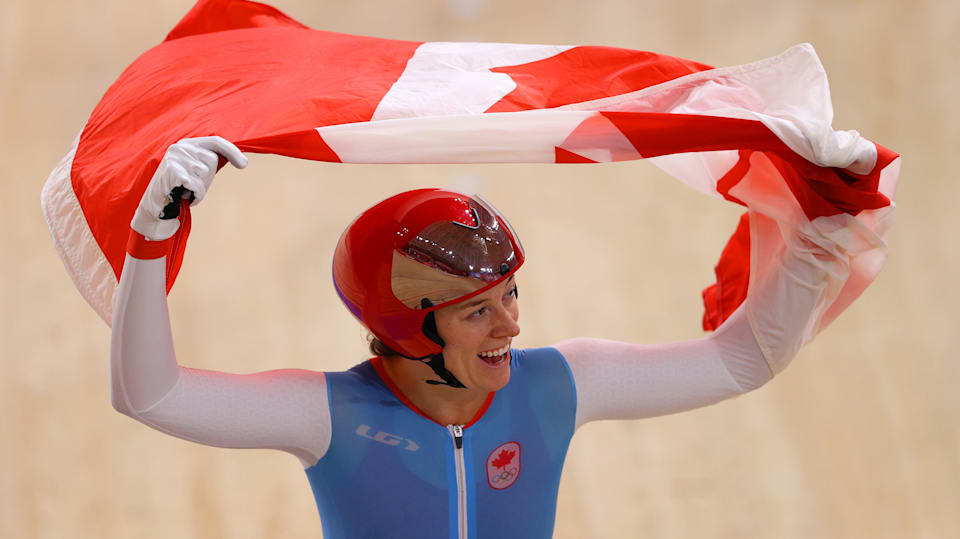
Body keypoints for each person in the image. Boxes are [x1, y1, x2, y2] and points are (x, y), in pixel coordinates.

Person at [112, 136, 837, 538]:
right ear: (409, 329)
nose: (513, 325)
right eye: (478, 311)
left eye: (511, 295)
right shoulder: (327, 414)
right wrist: (152, 237)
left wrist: (822, 226)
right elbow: (150, 394)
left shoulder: (560, 384)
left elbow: (744, 359)